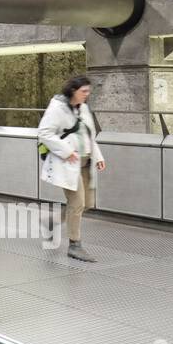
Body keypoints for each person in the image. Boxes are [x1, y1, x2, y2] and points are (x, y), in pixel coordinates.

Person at [38, 76, 105, 262]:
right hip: (68, 163)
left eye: (88, 91)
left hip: (85, 163)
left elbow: (88, 134)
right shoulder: (57, 108)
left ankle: (52, 222)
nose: (87, 94)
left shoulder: (83, 108)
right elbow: (44, 133)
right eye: (84, 91)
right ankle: (75, 245)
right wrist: (66, 151)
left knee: (87, 203)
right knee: (77, 204)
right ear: (73, 90)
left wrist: (97, 156)